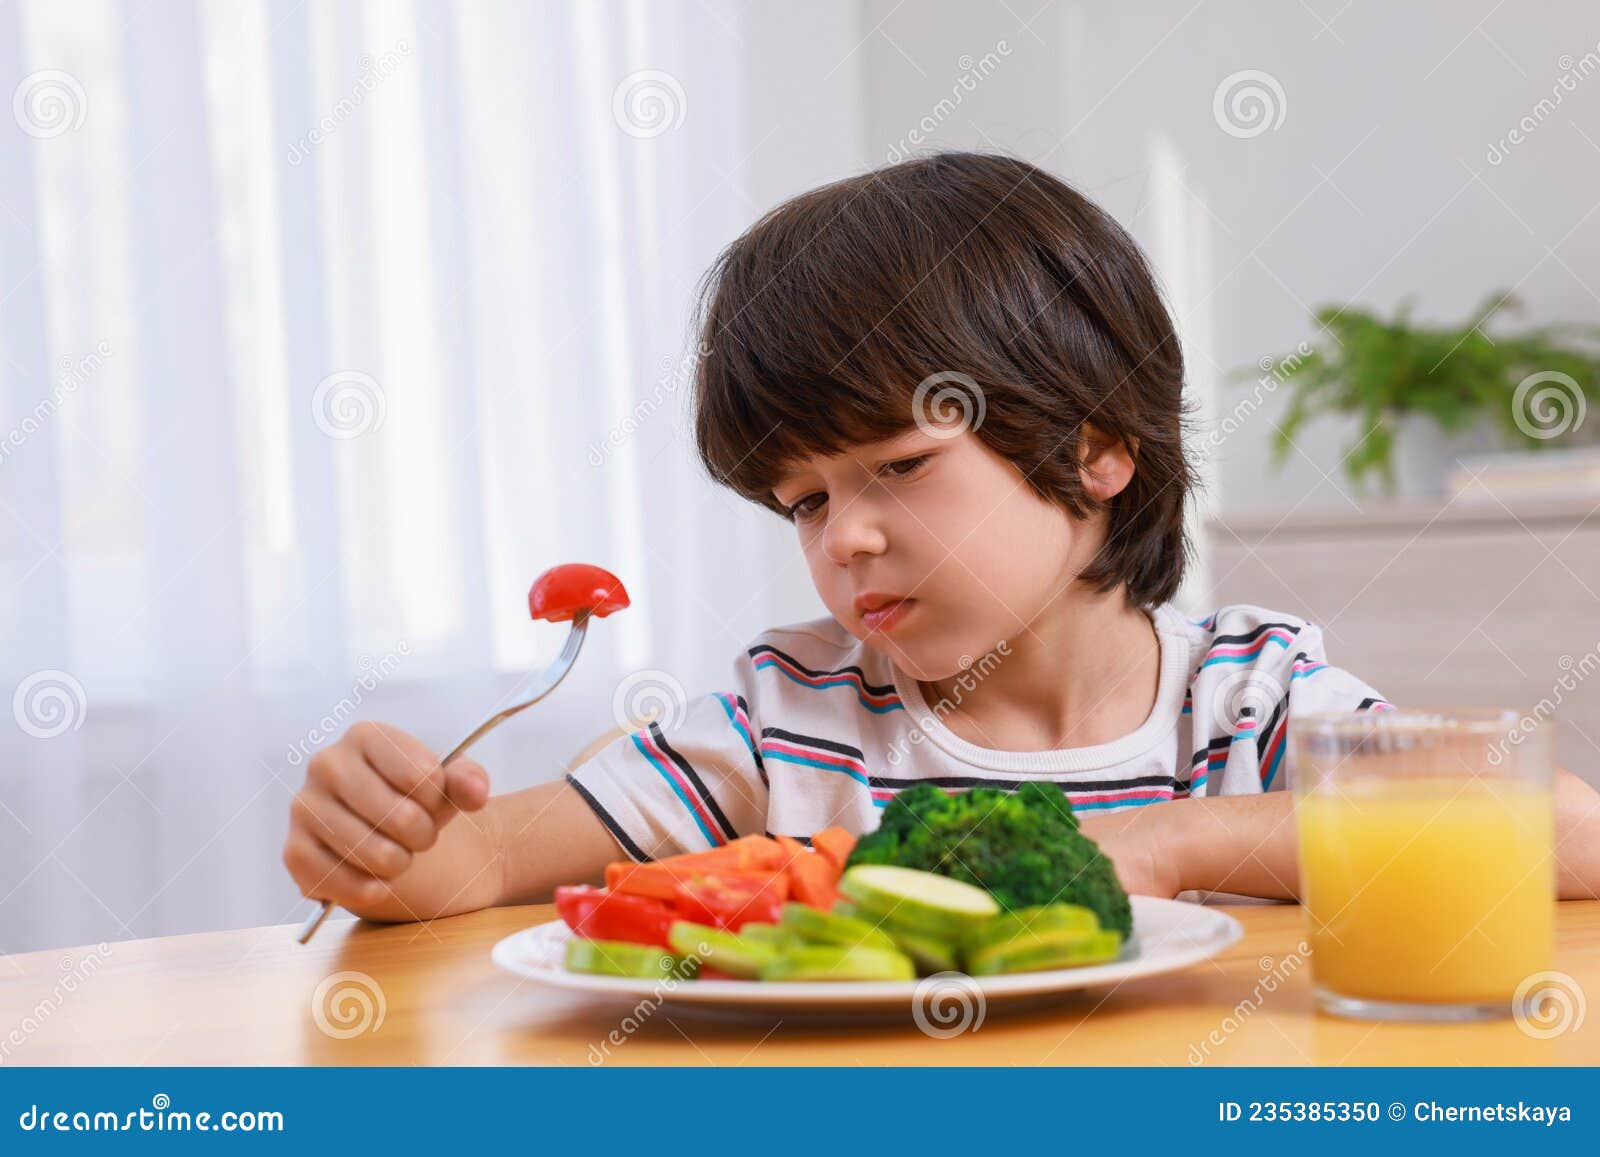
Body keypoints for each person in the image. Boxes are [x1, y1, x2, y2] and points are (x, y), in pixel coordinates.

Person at [283, 152, 1600, 924]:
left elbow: (1565, 833)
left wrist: (1178, 843)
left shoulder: (1243, 699)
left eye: (901, 468)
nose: (846, 539)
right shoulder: (787, 719)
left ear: (1096, 449)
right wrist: (387, 841)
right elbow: (483, 863)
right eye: (804, 500)